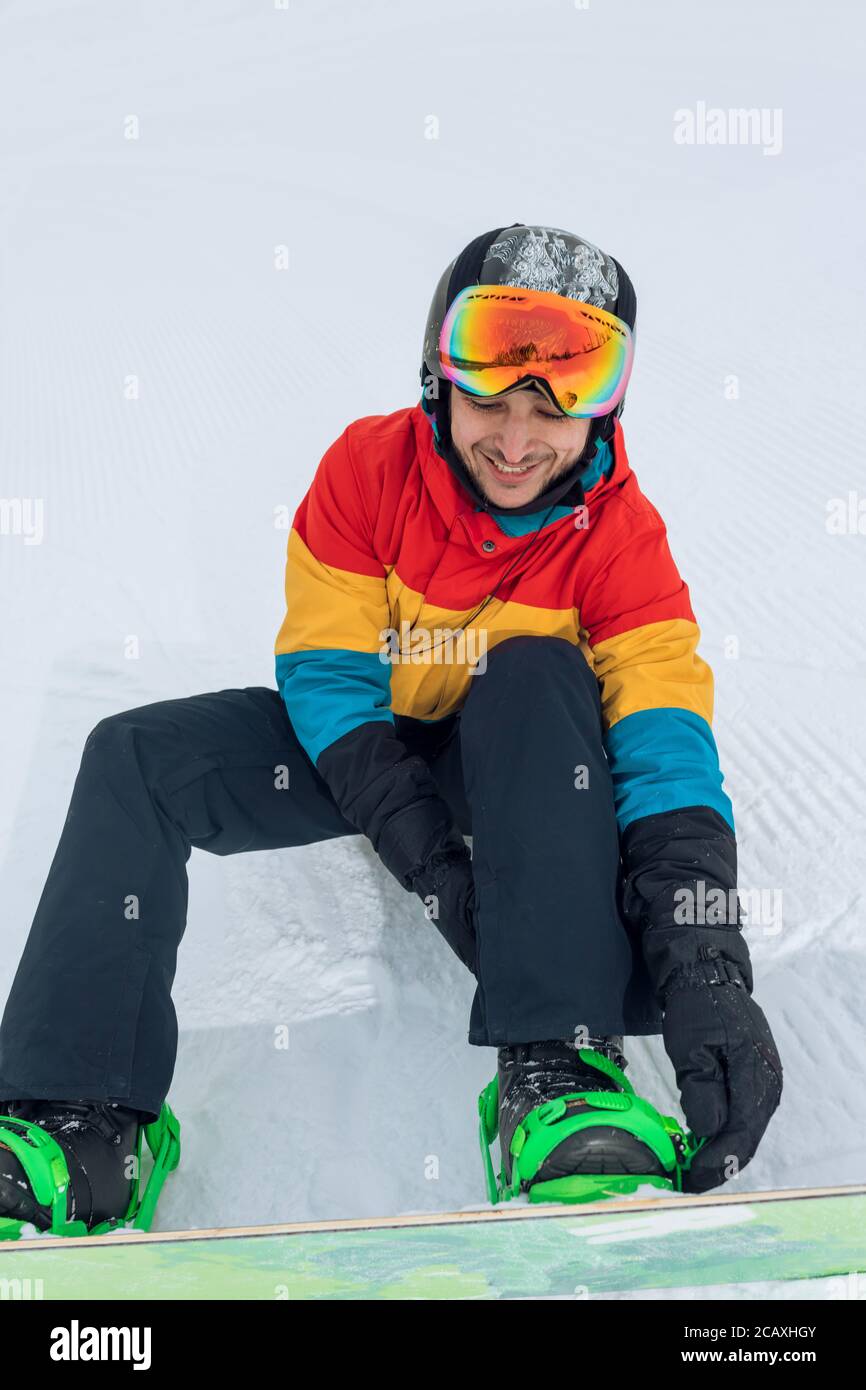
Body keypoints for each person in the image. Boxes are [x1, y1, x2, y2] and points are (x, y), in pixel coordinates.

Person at [0, 223, 783, 1231]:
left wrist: (706, 974)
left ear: (602, 409)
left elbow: (666, 755)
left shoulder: (621, 539)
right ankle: (81, 1122)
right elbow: (326, 677)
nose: (515, 436)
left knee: (532, 672)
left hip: (532, 761)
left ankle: (558, 1080)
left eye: (554, 405)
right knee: (134, 756)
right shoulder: (368, 471)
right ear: (436, 376)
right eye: (487, 396)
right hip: (369, 742)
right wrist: (423, 857)